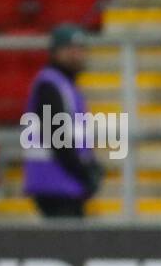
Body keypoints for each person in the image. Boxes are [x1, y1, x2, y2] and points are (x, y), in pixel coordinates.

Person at [22, 23, 104, 218]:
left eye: (81, 49)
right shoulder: (50, 86)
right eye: (70, 49)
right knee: (66, 246)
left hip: (65, 182)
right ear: (55, 52)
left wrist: (90, 164)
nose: (77, 54)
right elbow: (58, 137)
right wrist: (83, 172)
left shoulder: (65, 86)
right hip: (55, 183)